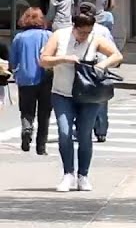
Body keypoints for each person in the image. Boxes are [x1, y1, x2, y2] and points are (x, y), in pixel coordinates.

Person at [40, 12, 123, 192]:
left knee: (85, 135)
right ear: (74, 27)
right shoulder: (59, 36)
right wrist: (63, 59)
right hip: (62, 92)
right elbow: (44, 60)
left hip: (88, 94)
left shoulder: (96, 39)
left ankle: (83, 175)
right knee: (64, 132)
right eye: (81, 32)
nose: (85, 36)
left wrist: (102, 65)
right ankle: (68, 174)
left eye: (88, 32)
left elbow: (117, 56)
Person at [12, 7, 52, 154]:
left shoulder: (19, 38)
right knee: (44, 113)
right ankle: (41, 146)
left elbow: (13, 60)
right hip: (46, 78)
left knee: (26, 110)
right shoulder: (48, 35)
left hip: (25, 78)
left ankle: (27, 128)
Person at [77, 2, 114, 141]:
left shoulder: (77, 29)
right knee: (100, 99)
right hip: (99, 67)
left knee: (81, 98)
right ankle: (101, 130)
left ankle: (83, 129)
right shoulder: (103, 30)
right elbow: (112, 48)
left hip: (83, 68)